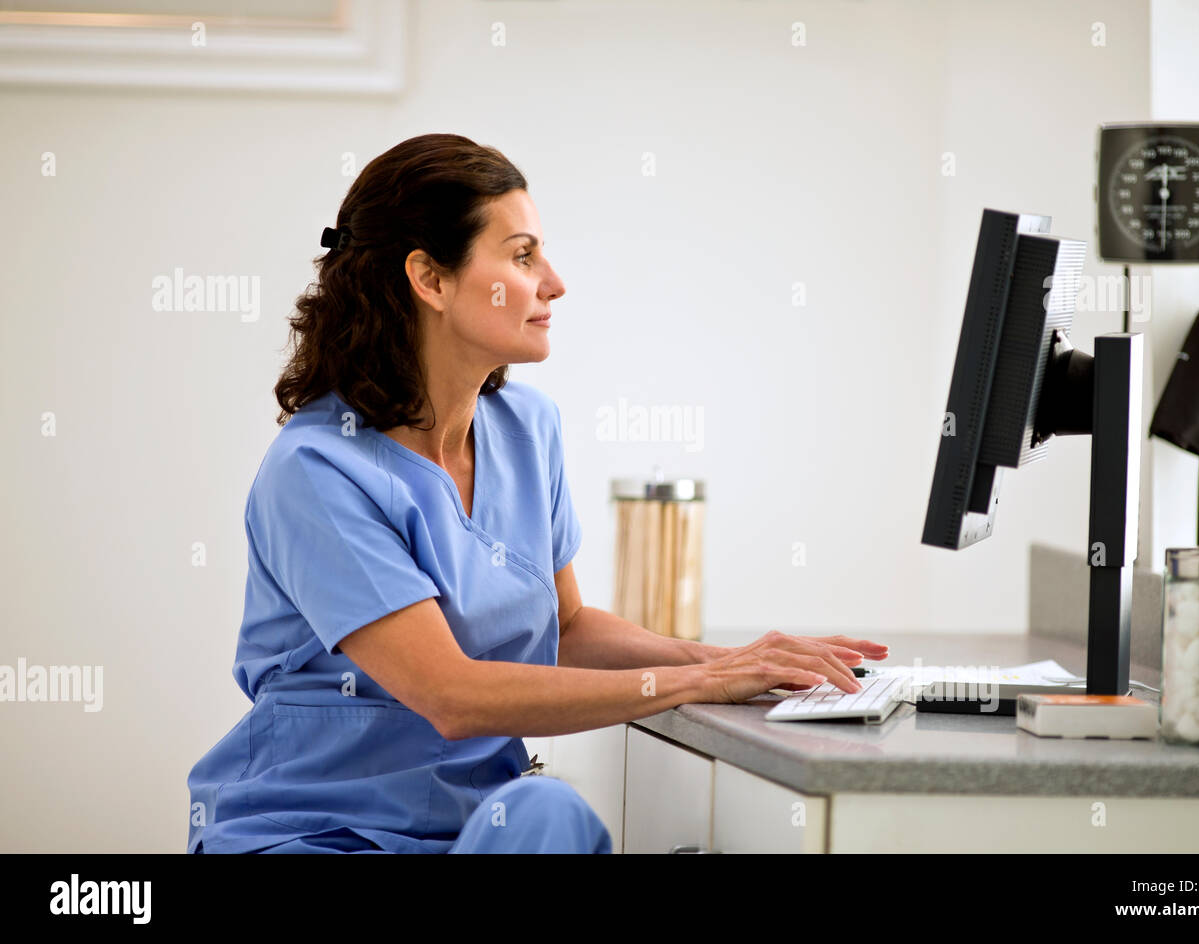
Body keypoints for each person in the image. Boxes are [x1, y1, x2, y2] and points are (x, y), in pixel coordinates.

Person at [186, 133, 889, 854]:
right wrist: (687, 686)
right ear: (429, 278)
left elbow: (570, 628)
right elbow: (450, 696)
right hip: (314, 834)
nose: (553, 282)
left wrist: (728, 661)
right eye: (522, 256)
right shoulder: (317, 469)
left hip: (468, 834)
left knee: (549, 814)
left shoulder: (527, 428)